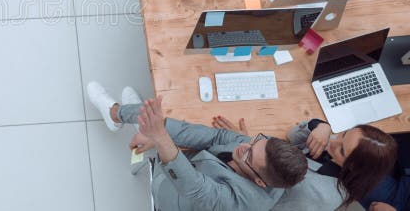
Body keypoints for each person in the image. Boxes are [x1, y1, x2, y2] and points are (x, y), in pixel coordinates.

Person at [86, 83, 308, 210]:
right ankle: (120, 115)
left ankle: (136, 120)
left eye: (250, 154)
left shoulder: (240, 203)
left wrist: (160, 136)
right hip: (191, 162)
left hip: (177, 195)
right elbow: (208, 135)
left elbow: (195, 187)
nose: (243, 145)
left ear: (260, 181)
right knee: (164, 128)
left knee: (159, 132)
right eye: (256, 140)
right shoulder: (255, 150)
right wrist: (158, 131)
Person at [212, 115, 397, 210]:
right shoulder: (335, 152)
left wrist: (246, 143)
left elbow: (263, 194)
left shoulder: (316, 195)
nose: (333, 141)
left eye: (341, 149)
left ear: (353, 166)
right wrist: (320, 126)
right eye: (344, 134)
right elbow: (293, 137)